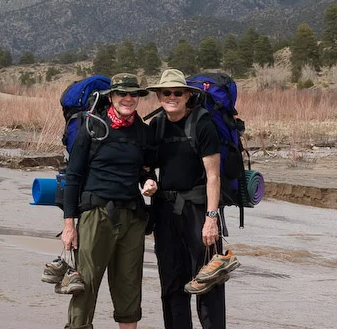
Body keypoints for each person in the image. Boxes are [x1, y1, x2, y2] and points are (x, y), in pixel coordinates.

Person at [61, 73, 157, 329]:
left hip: (132, 217)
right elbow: (73, 177)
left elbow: (146, 169)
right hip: (96, 214)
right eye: (122, 93)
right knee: (86, 286)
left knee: (129, 289)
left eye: (133, 94)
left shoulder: (144, 133)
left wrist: (149, 181)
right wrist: (69, 225)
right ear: (111, 96)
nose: (128, 98)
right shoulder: (92, 128)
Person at [143, 68, 233, 329]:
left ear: (186, 95)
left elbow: (213, 176)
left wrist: (211, 219)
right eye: (167, 92)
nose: (172, 96)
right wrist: (149, 182)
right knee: (171, 282)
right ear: (159, 96)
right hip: (165, 212)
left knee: (208, 281)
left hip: (198, 212)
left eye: (177, 92)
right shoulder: (157, 125)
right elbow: (148, 168)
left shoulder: (202, 123)